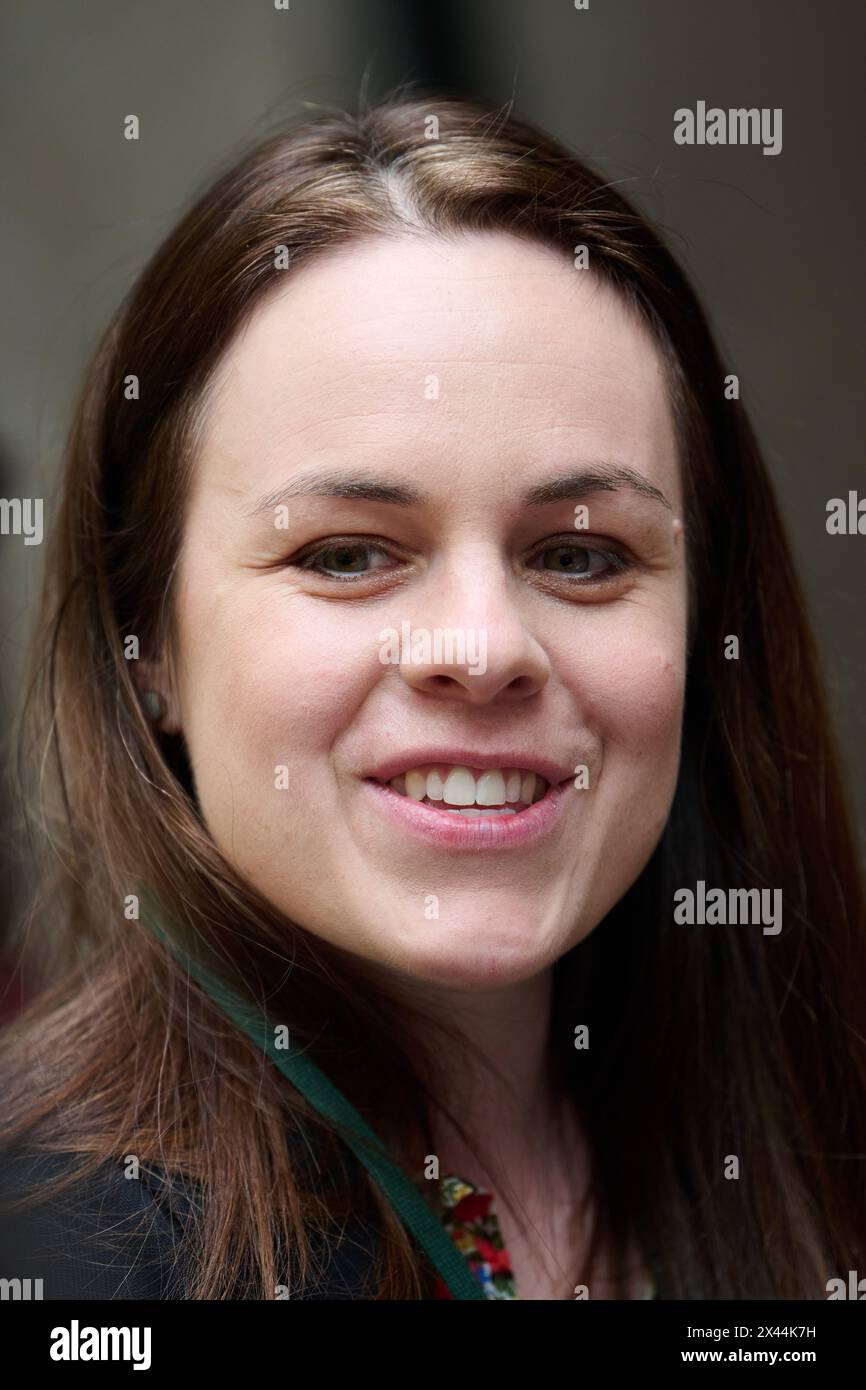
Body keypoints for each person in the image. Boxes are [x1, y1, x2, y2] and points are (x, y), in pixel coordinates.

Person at [1, 90, 864, 1301]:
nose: (481, 644)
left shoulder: (812, 1133)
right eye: (347, 553)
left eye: (579, 555)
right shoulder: (57, 1251)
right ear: (145, 643)